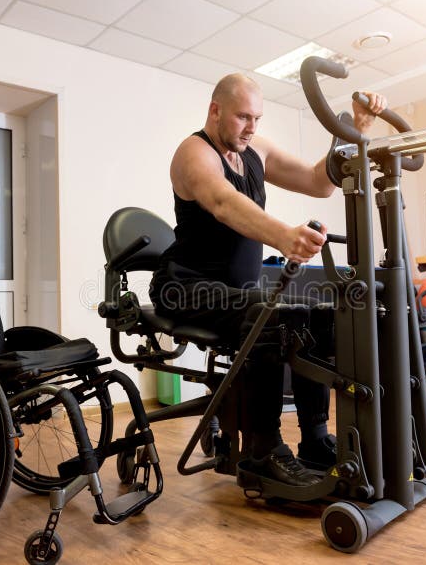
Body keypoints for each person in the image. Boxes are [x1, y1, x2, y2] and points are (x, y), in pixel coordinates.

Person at [150, 73, 386, 487]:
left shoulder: (255, 150)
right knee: (270, 318)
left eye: (257, 118)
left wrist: (356, 128)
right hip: (184, 287)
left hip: (238, 292)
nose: (252, 127)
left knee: (313, 316)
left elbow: (318, 181)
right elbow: (223, 203)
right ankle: (263, 450)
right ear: (215, 110)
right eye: (243, 117)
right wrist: (285, 236)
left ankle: (314, 438)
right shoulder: (193, 153)